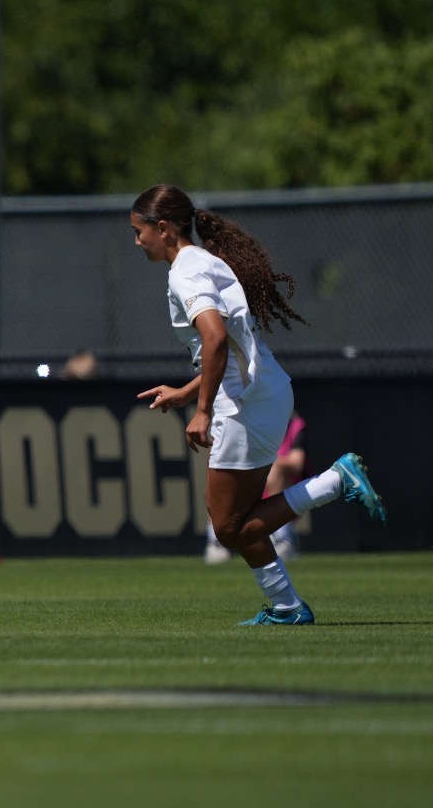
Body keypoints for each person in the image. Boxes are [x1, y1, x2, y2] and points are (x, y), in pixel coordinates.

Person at [131, 184, 387, 625]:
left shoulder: (185, 271)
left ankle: (334, 481)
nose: (138, 242)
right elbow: (226, 348)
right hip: (264, 391)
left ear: (163, 228)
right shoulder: (204, 261)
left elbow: (213, 339)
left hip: (243, 403)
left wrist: (203, 410)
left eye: (139, 232)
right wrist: (186, 392)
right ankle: (287, 607)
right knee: (234, 522)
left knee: (227, 526)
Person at [203, 413, 306, 565]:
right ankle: (215, 542)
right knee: (219, 472)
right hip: (247, 492)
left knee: (275, 468)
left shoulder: (295, 425)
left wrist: (269, 463)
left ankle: (281, 538)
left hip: (284, 495)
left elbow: (297, 463)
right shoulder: (244, 423)